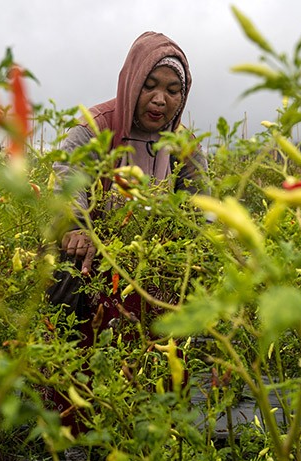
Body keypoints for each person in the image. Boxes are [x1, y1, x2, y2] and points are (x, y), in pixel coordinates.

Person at [50, 31, 208, 342]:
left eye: (172, 90)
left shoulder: (184, 144)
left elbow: (201, 207)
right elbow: (69, 181)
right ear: (131, 83)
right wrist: (77, 228)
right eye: (149, 86)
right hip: (96, 265)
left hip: (156, 271)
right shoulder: (95, 128)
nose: (160, 99)